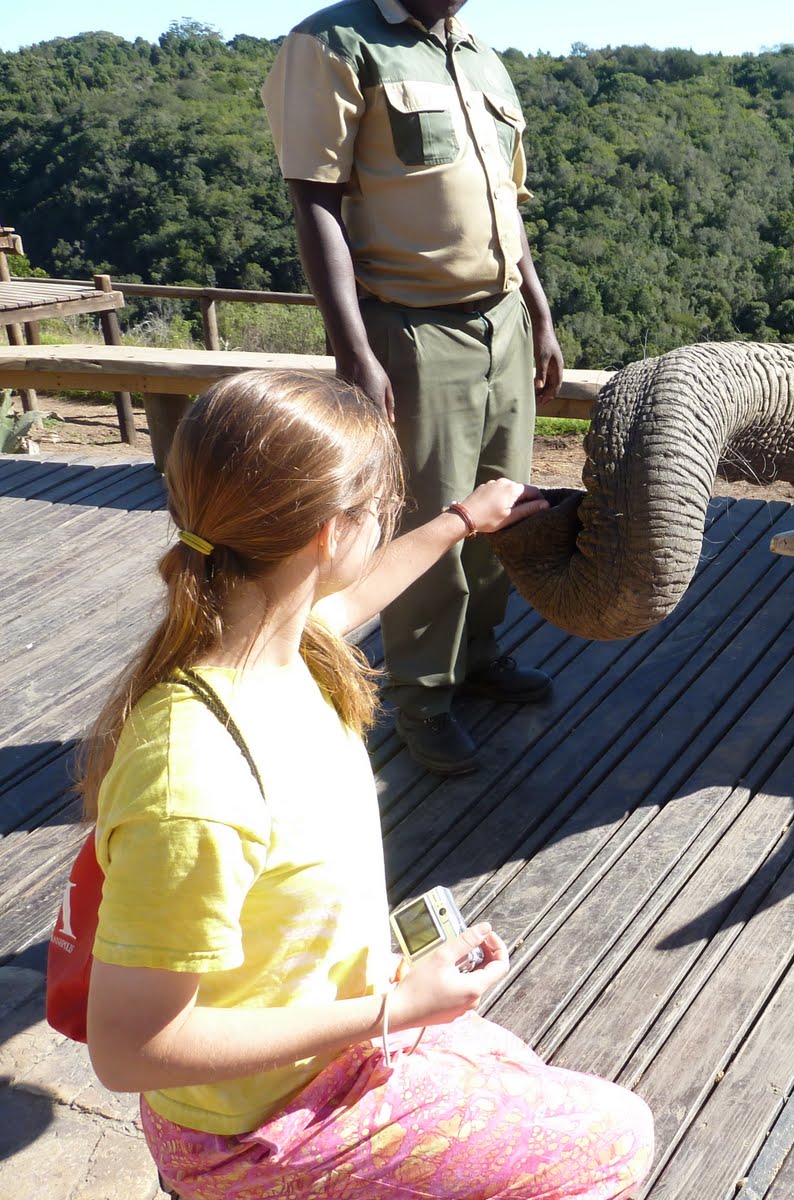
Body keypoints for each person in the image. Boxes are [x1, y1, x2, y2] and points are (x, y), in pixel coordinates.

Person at [80, 370, 653, 1199]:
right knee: (616, 1138)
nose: (390, 519)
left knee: (511, 1065)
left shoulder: (275, 642)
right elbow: (128, 1050)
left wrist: (462, 523)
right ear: (326, 534)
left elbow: (360, 593)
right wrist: (392, 1010)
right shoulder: (195, 779)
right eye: (382, 504)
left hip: (318, 1042)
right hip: (251, 1135)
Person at [262, 0, 564, 775]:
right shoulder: (334, 42)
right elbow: (314, 198)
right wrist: (353, 346)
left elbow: (508, 203)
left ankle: (480, 656)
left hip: (502, 319)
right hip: (411, 326)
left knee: (506, 505)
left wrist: (537, 308)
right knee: (432, 516)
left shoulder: (476, 54)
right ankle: (422, 695)